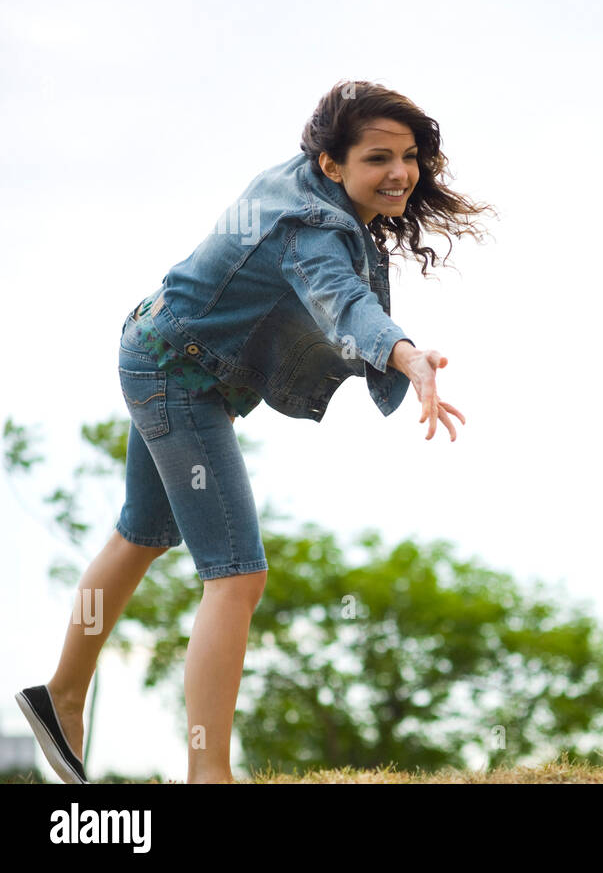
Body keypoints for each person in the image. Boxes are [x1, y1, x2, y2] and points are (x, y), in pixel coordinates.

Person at [15, 80, 495, 784]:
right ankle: (208, 772)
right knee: (236, 573)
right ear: (332, 164)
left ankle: (60, 694)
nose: (400, 173)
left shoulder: (308, 179)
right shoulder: (310, 227)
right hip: (179, 375)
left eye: (410, 156)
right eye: (377, 158)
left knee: (142, 533)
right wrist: (405, 353)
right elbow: (344, 300)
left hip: (154, 345)